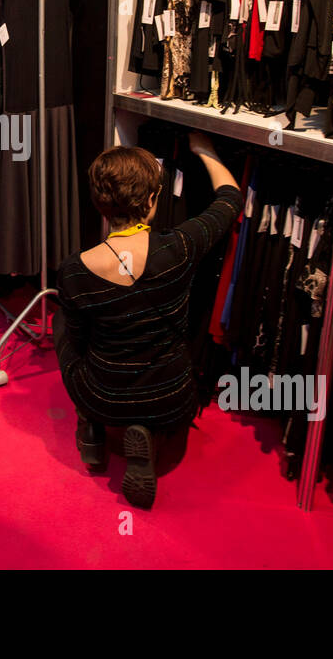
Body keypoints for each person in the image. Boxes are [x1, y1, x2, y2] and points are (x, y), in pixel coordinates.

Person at [53, 133, 243, 508]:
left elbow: (77, 340)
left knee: (63, 327)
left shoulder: (75, 271)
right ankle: (147, 429)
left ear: (100, 204)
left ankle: (90, 421)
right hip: (171, 396)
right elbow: (231, 199)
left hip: (104, 395)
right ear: (153, 199)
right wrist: (204, 150)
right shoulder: (182, 246)